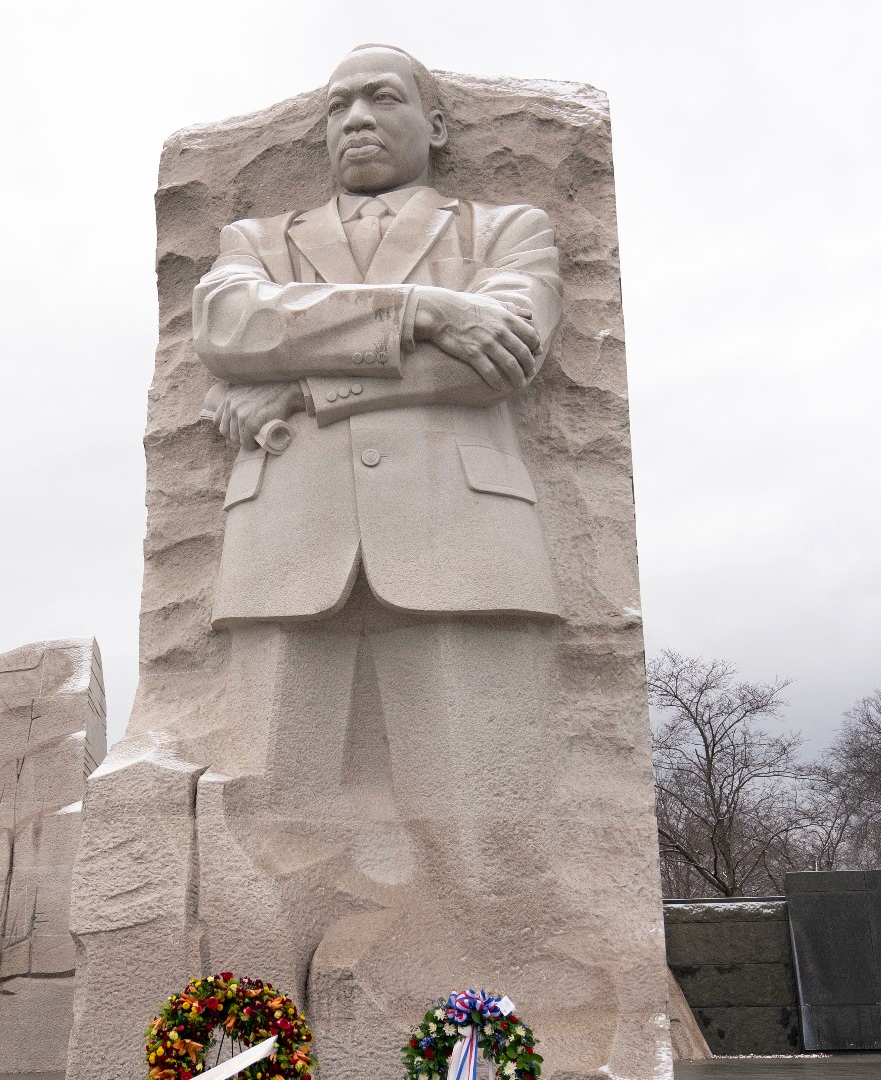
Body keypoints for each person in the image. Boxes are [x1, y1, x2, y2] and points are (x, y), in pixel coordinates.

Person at [188, 41, 566, 990]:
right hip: (286, 549)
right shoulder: (256, 243)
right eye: (338, 104)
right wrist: (419, 305)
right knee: (265, 831)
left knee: (485, 831)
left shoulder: (507, 229)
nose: (355, 118)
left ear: (434, 125)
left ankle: (503, 1031)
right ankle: (258, 1031)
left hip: (463, 549)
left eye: (382, 98)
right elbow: (229, 331)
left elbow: (500, 357)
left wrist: (297, 390)